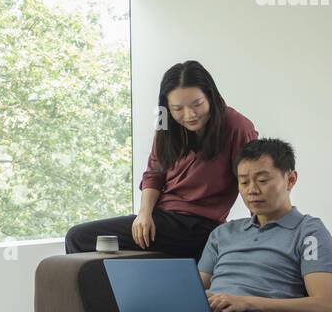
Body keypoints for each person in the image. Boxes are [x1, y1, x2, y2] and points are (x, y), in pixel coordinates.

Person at [63, 137, 332, 312]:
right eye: (244, 182)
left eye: (263, 180)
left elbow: (326, 307)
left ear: (290, 179)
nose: (252, 190)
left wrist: (247, 303)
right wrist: (155, 300)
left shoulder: (309, 232)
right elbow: (197, 287)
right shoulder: (224, 233)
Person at [65, 60, 257, 260]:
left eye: (197, 104)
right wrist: (144, 214)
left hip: (198, 226)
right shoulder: (165, 122)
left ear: (211, 96)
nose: (189, 115)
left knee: (79, 237)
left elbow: (249, 180)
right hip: (163, 219)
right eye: (177, 108)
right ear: (167, 106)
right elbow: (154, 174)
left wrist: (261, 232)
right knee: (79, 237)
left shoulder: (238, 127)